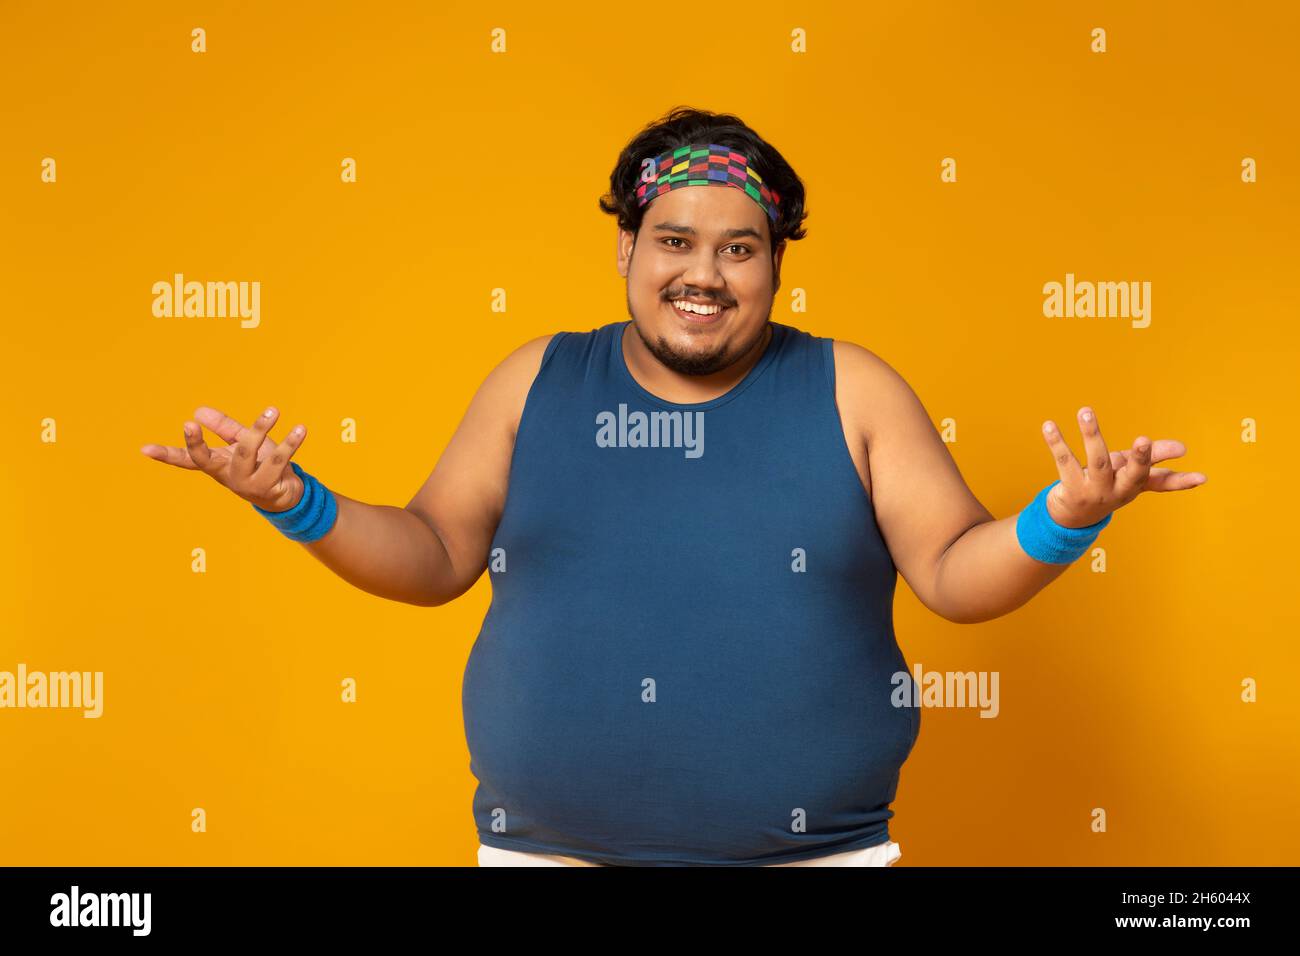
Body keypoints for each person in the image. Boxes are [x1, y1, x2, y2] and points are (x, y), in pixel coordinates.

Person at [140, 106, 1207, 867]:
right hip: (547, 854)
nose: (705, 272)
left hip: (814, 856)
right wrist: (294, 500)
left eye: (740, 248)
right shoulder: (535, 379)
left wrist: (1064, 516)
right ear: (626, 249)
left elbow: (953, 574)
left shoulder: (851, 387)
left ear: (776, 264)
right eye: (676, 240)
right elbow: (432, 556)